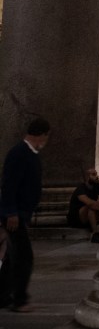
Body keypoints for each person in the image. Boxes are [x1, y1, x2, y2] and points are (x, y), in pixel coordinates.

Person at [0, 117, 50, 312]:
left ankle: (2, 296)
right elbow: (9, 184)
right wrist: (11, 212)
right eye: (47, 137)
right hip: (14, 215)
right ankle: (19, 300)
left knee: (13, 257)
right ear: (42, 135)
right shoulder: (19, 153)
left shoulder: (29, 153)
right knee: (24, 257)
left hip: (20, 214)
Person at [67, 168, 99, 243]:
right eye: (93, 174)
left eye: (96, 174)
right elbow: (90, 203)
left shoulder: (98, 186)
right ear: (87, 177)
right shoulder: (80, 189)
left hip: (89, 216)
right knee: (92, 207)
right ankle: (95, 234)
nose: (97, 176)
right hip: (77, 219)